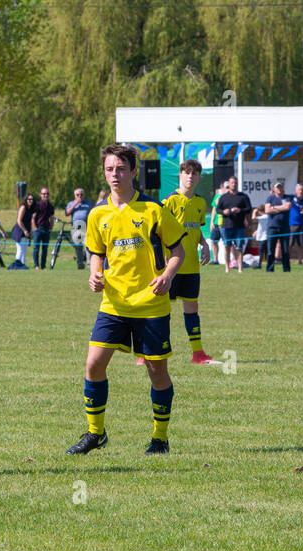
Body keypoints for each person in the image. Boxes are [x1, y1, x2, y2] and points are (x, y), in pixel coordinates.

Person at [67, 144, 185, 457]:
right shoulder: (98, 214)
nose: (115, 175)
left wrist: (167, 276)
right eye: (109, 169)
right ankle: (95, 433)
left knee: (156, 371)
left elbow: (179, 252)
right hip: (114, 304)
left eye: (121, 169)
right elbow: (97, 252)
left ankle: (160, 438)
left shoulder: (154, 210)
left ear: (133, 171)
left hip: (151, 304)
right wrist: (94, 274)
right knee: (94, 364)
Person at [159, 159, 214, 364]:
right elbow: (160, 231)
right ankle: (147, 352)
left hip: (191, 266)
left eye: (195, 173)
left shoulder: (200, 203)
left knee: (192, 308)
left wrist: (205, 244)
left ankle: (198, 353)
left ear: (199, 177)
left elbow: (195, 228)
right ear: (180, 175)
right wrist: (163, 259)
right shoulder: (169, 202)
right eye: (187, 173)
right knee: (160, 310)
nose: (190, 176)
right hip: (170, 268)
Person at [216, 177, 250, 270]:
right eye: (232, 183)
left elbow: (249, 209)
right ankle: (227, 267)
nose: (233, 184)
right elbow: (218, 209)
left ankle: (240, 268)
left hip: (239, 226)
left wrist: (240, 210)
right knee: (227, 247)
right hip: (226, 226)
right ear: (229, 184)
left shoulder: (243, 196)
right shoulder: (224, 197)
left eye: (235, 183)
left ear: (237, 184)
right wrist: (224, 212)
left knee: (239, 247)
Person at [263, 182, 293, 272]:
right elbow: (267, 210)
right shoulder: (270, 198)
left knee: (285, 250)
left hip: (284, 227)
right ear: (274, 189)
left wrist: (274, 208)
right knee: (270, 250)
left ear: (283, 188)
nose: (279, 189)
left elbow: (287, 207)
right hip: (272, 227)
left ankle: (286, 269)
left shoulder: (287, 197)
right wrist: (281, 208)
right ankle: (270, 269)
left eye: (281, 187)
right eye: (277, 187)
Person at [64, 188, 94, 270]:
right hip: (76, 228)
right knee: (78, 247)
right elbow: (67, 213)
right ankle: (80, 265)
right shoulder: (71, 203)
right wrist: (75, 204)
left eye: (81, 195)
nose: (80, 196)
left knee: (88, 247)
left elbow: (94, 214)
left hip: (87, 228)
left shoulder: (88, 203)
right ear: (75, 196)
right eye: (77, 195)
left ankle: (90, 265)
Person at [30, 187, 56, 270]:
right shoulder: (37, 205)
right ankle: (36, 265)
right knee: (36, 249)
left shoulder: (51, 206)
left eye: (47, 194)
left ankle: (43, 266)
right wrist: (34, 228)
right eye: (44, 194)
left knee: (45, 249)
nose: (46, 195)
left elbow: (51, 217)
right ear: (41, 195)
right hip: (38, 229)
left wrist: (51, 227)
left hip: (46, 230)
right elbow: (33, 217)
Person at [10, 193, 34, 269]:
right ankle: (16, 266)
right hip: (19, 231)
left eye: (32, 199)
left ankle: (23, 266)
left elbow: (30, 221)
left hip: (26, 231)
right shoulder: (23, 207)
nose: (31, 201)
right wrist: (25, 231)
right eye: (29, 199)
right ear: (26, 200)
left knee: (24, 250)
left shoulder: (30, 209)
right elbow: (19, 221)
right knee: (20, 250)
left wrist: (30, 231)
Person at [206, 180, 225, 265]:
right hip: (217, 223)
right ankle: (215, 259)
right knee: (214, 241)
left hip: (226, 224)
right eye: (224, 187)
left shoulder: (229, 196)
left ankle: (228, 261)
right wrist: (211, 222)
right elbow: (214, 209)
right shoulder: (217, 196)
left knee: (228, 243)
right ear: (221, 187)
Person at [289, 183, 303, 260]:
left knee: (301, 243)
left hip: (302, 224)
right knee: (290, 243)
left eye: (302, 189)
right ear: (296, 190)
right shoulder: (291, 198)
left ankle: (300, 260)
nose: (300, 191)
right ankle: (288, 259)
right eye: (299, 189)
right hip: (292, 224)